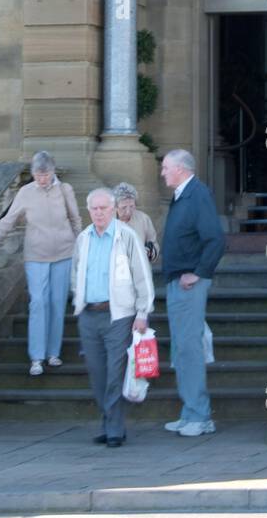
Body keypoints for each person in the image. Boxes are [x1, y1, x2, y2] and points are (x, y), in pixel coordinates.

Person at [0, 151, 80, 377]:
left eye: (46, 174)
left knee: (57, 303)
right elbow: (6, 222)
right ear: (33, 174)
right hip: (36, 255)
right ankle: (37, 357)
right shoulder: (25, 193)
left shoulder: (65, 190)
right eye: (38, 175)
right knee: (39, 302)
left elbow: (75, 219)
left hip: (64, 252)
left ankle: (53, 353)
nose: (42, 179)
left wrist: (82, 248)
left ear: (53, 171)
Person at [71, 188, 155, 447]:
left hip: (119, 315)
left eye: (104, 208)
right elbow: (75, 272)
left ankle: (115, 429)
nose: (98, 213)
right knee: (97, 373)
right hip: (89, 313)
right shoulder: (83, 238)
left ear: (113, 209)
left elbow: (142, 276)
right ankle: (108, 421)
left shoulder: (126, 236)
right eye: (94, 209)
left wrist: (143, 313)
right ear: (89, 211)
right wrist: (79, 298)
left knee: (115, 373)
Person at [160, 149, 226, 437]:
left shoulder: (196, 194)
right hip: (177, 281)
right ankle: (190, 412)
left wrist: (198, 273)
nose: (162, 172)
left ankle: (200, 416)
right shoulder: (182, 196)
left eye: (165, 167)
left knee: (189, 349)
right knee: (182, 349)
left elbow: (215, 239)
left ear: (181, 169)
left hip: (189, 283)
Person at [113, 182, 159, 263]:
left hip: (139, 268)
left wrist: (149, 252)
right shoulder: (108, 221)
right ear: (115, 207)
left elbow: (154, 244)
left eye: (132, 206)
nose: (128, 212)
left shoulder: (144, 219)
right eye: (123, 207)